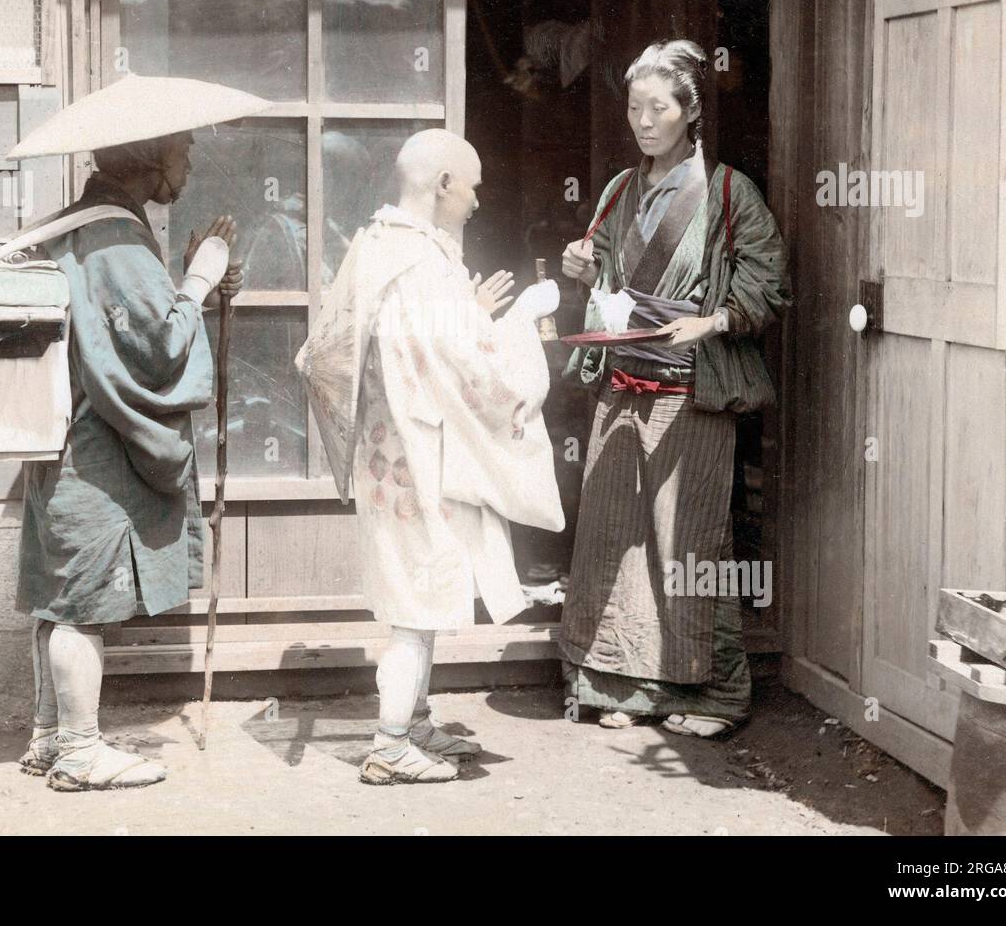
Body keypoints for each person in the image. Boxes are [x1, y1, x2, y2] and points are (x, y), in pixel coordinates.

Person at [298, 129, 565, 784]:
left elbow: (415, 341)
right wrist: (522, 325)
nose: (477, 200)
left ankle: (415, 723)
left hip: (391, 446)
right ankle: (390, 741)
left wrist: (472, 314)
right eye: (472, 185)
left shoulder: (380, 246)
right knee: (417, 600)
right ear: (444, 183)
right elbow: (467, 367)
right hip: (419, 448)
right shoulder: (420, 260)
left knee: (423, 586)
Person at [558, 40, 790, 738]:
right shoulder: (619, 190)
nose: (644, 121)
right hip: (621, 384)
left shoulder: (726, 191)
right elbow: (602, 273)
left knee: (690, 543)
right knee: (612, 539)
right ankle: (622, 687)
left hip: (691, 390)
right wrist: (580, 265)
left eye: (658, 107)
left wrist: (713, 318)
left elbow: (769, 282)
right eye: (634, 108)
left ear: (690, 111)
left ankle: (718, 691)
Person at [14, 128, 241, 791]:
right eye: (184, 151)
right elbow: (158, 342)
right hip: (97, 446)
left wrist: (188, 277)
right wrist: (197, 280)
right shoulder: (116, 235)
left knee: (61, 594)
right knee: (83, 600)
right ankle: (80, 749)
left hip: (61, 435)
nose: (190, 163)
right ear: (148, 158)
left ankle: (49, 737)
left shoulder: (76, 223)